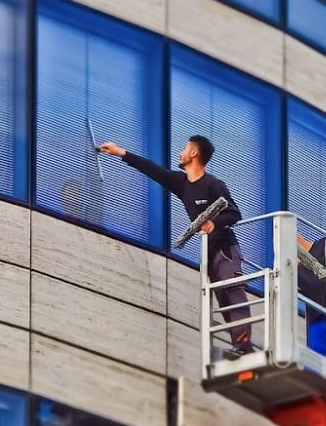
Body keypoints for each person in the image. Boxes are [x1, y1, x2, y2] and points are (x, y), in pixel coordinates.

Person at [96, 136, 254, 354]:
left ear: (194, 153)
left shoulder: (214, 184)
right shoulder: (182, 183)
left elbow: (234, 213)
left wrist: (213, 223)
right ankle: (241, 346)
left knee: (231, 291)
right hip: (208, 253)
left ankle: (244, 345)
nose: (180, 153)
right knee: (222, 299)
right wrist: (121, 153)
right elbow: (154, 171)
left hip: (225, 250)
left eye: (184, 149)